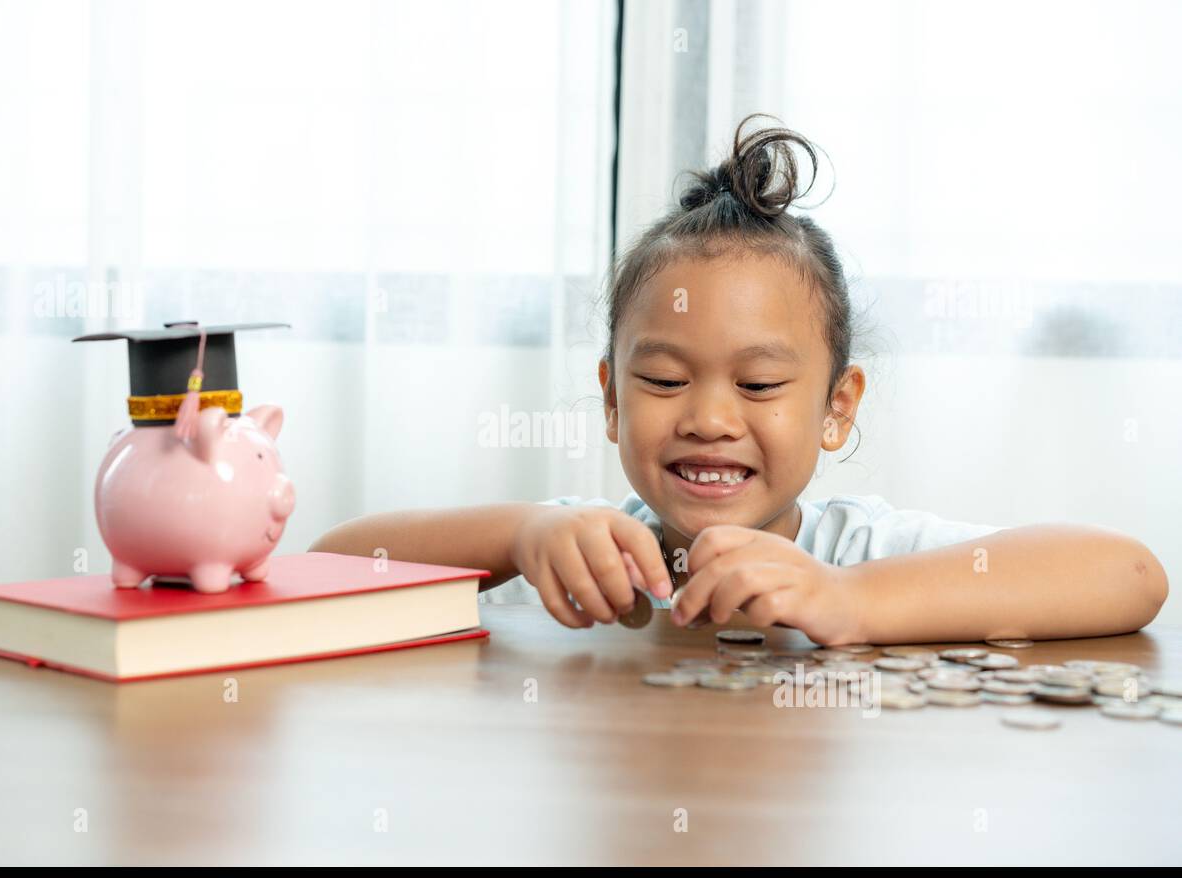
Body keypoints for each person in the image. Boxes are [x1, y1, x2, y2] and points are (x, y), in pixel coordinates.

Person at [312, 115, 1168, 646]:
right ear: (611, 400)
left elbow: (1129, 575)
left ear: (838, 408)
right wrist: (518, 533)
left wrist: (850, 600)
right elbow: (324, 572)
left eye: (758, 387)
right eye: (661, 379)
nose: (710, 419)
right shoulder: (594, 552)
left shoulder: (860, 553)